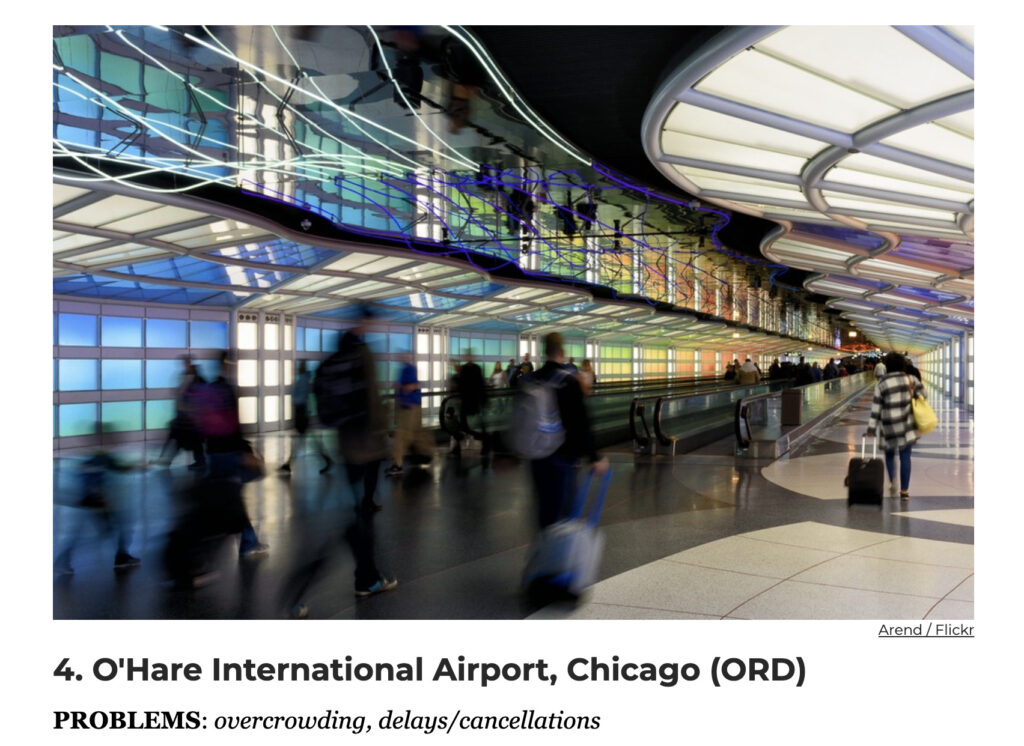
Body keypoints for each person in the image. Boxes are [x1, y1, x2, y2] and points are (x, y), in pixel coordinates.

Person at [313, 307, 397, 597]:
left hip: (347, 445)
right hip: (367, 447)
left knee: (358, 511)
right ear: (367, 321)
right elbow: (373, 402)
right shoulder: (364, 355)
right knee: (363, 518)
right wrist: (383, 438)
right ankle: (367, 578)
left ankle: (366, 574)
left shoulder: (339, 353)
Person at [527, 333, 608, 531]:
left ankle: (545, 549)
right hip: (564, 457)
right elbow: (580, 422)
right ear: (562, 353)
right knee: (564, 514)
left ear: (545, 351)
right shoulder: (569, 381)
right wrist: (594, 457)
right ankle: (559, 556)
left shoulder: (534, 379)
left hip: (538, 458)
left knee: (545, 510)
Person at [197, 350, 268, 558]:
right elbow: (232, 427)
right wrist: (246, 451)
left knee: (229, 496)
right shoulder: (226, 391)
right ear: (227, 366)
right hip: (229, 452)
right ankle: (247, 542)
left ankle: (246, 540)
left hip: (214, 452)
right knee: (234, 497)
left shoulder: (209, 390)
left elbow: (205, 425)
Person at [54, 433, 140, 574]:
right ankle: (62, 560)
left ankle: (122, 556)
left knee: (114, 528)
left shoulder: (99, 456)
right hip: (98, 503)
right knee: (114, 529)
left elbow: (117, 467)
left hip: (96, 502)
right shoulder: (101, 457)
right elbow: (116, 468)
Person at [866, 351, 927, 501]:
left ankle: (893, 479)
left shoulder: (882, 383)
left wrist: (872, 428)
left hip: (888, 425)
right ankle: (904, 490)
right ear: (902, 365)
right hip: (906, 425)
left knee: (889, 455)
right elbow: (923, 395)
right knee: (906, 457)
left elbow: (876, 407)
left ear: (887, 366)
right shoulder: (911, 379)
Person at [279, 360, 333, 475]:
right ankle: (326, 459)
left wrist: (293, 399)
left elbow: (299, 398)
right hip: (302, 414)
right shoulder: (304, 379)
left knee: (298, 442)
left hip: (301, 415)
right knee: (306, 441)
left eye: (300, 366)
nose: (298, 368)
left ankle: (289, 464)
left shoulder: (302, 380)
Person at [387, 353, 434, 476]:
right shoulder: (406, 370)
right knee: (412, 433)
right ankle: (425, 454)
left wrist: (400, 388)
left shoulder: (410, 370)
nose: (401, 358)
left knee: (402, 436)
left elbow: (412, 386)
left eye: (403, 356)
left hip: (409, 408)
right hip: (408, 407)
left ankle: (398, 464)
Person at [156, 358, 206, 469]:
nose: (186, 366)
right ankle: (167, 459)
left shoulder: (197, 380)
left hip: (189, 416)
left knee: (180, 437)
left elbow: (195, 398)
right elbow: (181, 395)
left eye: (187, 364)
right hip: (185, 415)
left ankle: (166, 459)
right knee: (182, 438)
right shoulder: (186, 377)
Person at [454, 350, 487, 456]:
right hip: (471, 401)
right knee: (467, 425)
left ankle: (483, 442)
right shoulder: (474, 369)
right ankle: (484, 443)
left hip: (470, 401)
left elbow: (464, 385)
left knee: (465, 425)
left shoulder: (467, 369)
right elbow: (480, 385)